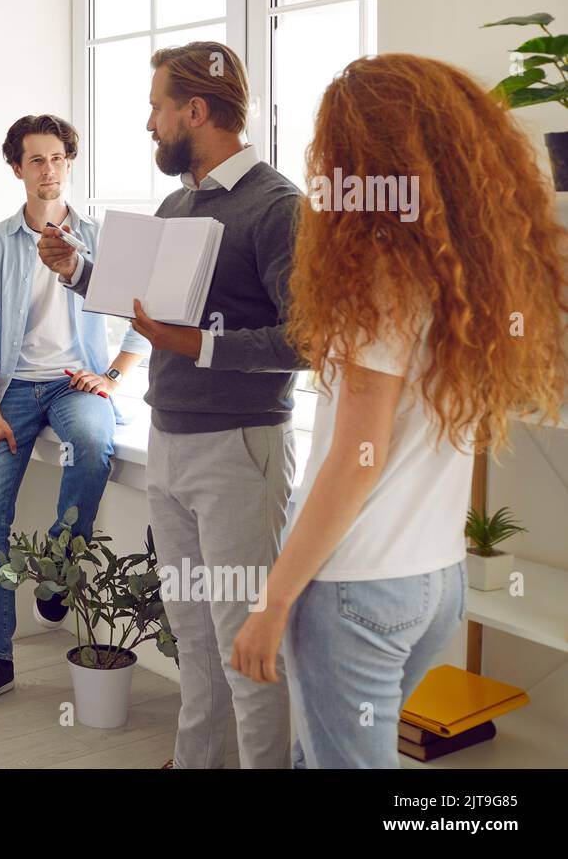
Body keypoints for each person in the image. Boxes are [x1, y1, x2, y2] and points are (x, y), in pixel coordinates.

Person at [230, 53, 568, 768]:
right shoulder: (468, 275)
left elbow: (360, 459)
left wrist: (274, 601)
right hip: (433, 579)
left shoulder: (378, 274)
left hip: (356, 585)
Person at [42, 42, 304, 768]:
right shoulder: (176, 203)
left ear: (196, 109)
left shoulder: (276, 207)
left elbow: (306, 339)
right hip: (170, 438)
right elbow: (155, 312)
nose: (149, 121)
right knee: (193, 632)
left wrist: (199, 345)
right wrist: (77, 269)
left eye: (159, 105)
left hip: (240, 449)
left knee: (245, 642)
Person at [0, 114, 149, 715]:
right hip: (12, 389)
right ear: (17, 168)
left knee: (93, 445)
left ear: (70, 161)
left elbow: (144, 318)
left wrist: (111, 376)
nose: (49, 169)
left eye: (58, 157)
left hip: (75, 382)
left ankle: (60, 572)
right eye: (36, 160)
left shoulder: (102, 236)